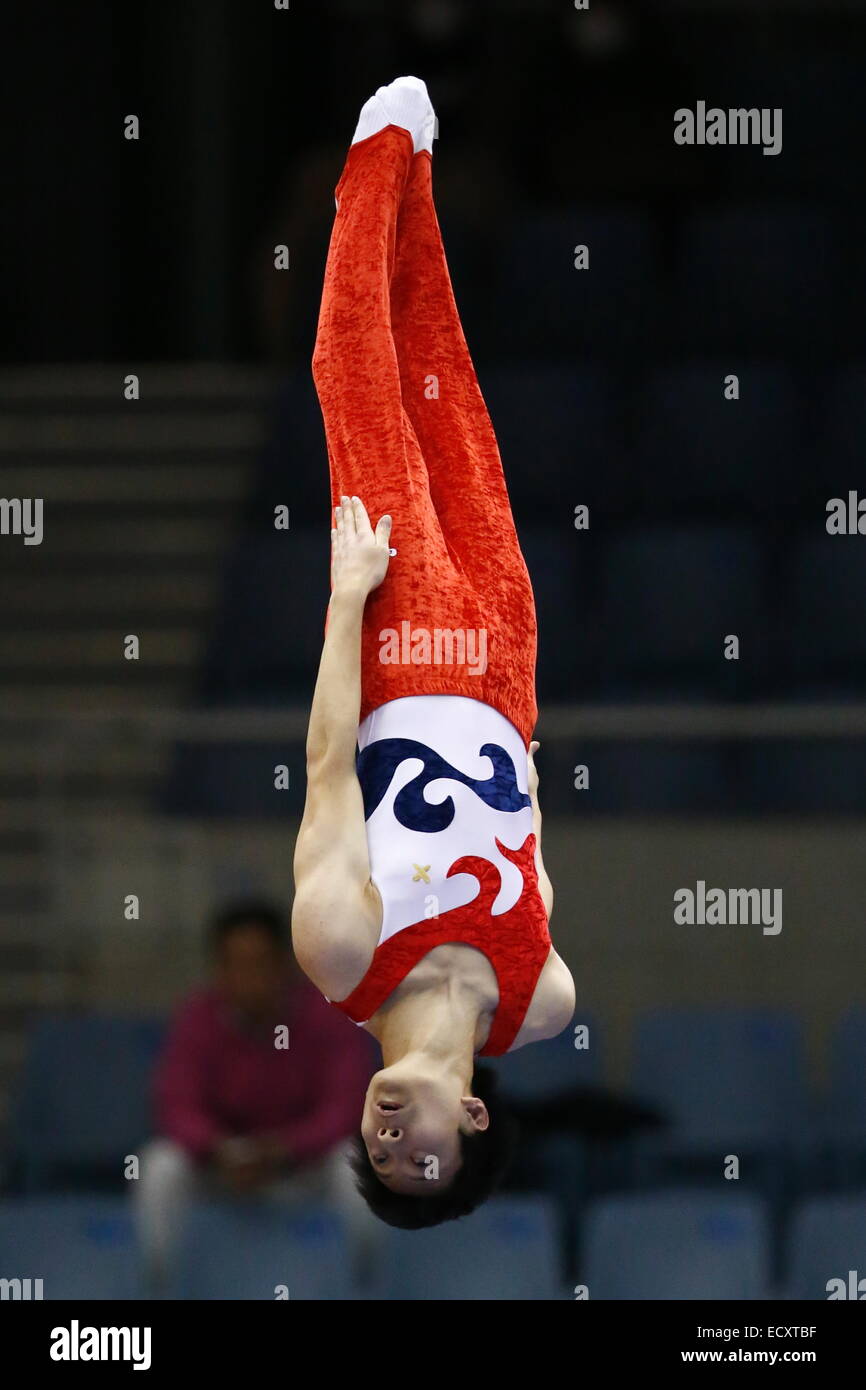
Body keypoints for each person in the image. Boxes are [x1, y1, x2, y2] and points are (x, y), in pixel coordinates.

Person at [292, 77, 575, 1228]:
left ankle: (381, 154)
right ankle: (418, 175)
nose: (388, 1141)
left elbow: (323, 769)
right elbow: (530, 825)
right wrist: (509, 699)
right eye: (420, 1161)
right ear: (471, 1122)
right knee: (445, 388)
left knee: (351, 377)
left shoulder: (339, 952)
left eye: (377, 1158)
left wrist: (346, 601)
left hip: (400, 646)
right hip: (502, 668)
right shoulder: (541, 1000)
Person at [134, 901, 374, 1288]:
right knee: (160, 1166)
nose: (249, 978)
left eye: (259, 964)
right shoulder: (198, 1017)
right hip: (224, 1166)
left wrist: (284, 1148)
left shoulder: (327, 1017)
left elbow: (345, 1108)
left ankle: (366, 1286)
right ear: (219, 969)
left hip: (300, 1164)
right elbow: (175, 1104)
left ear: (285, 965)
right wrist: (218, 1149)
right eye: (235, 965)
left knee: (357, 1166)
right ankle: (160, 1289)